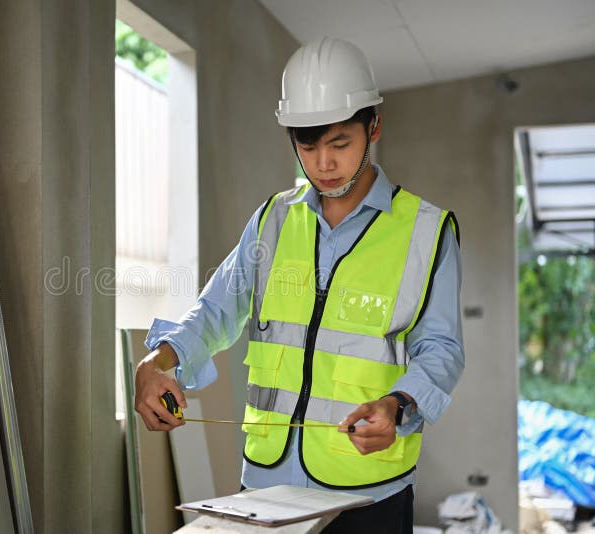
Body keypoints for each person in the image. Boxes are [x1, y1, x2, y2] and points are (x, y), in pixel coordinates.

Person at [134, 36, 464, 534]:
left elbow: (440, 348)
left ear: (374, 126)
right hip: (266, 489)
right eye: (307, 146)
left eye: (339, 144)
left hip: (367, 497)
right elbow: (216, 311)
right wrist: (159, 360)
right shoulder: (271, 221)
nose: (323, 164)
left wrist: (398, 407)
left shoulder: (428, 231)